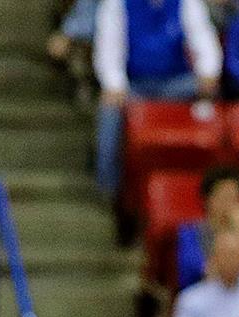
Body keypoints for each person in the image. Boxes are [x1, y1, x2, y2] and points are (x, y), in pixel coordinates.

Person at [91, 0, 220, 198]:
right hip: (135, 85)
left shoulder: (186, 2)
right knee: (110, 109)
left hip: (176, 83)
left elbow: (202, 34)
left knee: (213, 97)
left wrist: (208, 71)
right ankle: (108, 186)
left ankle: (207, 179)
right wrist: (114, 84)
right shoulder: (117, 3)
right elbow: (108, 45)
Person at [175, 164, 239, 291]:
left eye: (236, 198)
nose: (230, 204)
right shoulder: (190, 234)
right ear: (207, 200)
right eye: (225, 197)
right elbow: (190, 272)